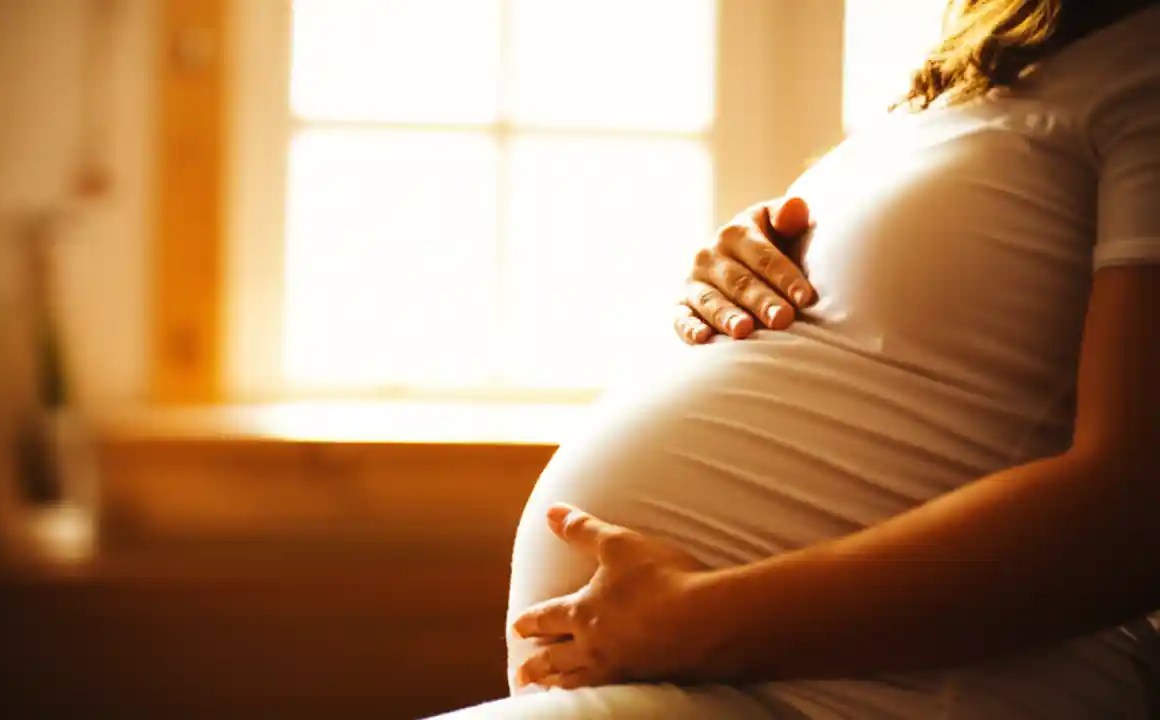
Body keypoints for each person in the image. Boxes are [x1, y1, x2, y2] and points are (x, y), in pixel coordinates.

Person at [432, 0, 1160, 717]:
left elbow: (1135, 508)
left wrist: (693, 621)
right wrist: (760, 253)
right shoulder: (999, 67)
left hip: (873, 695)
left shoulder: (1142, 62)